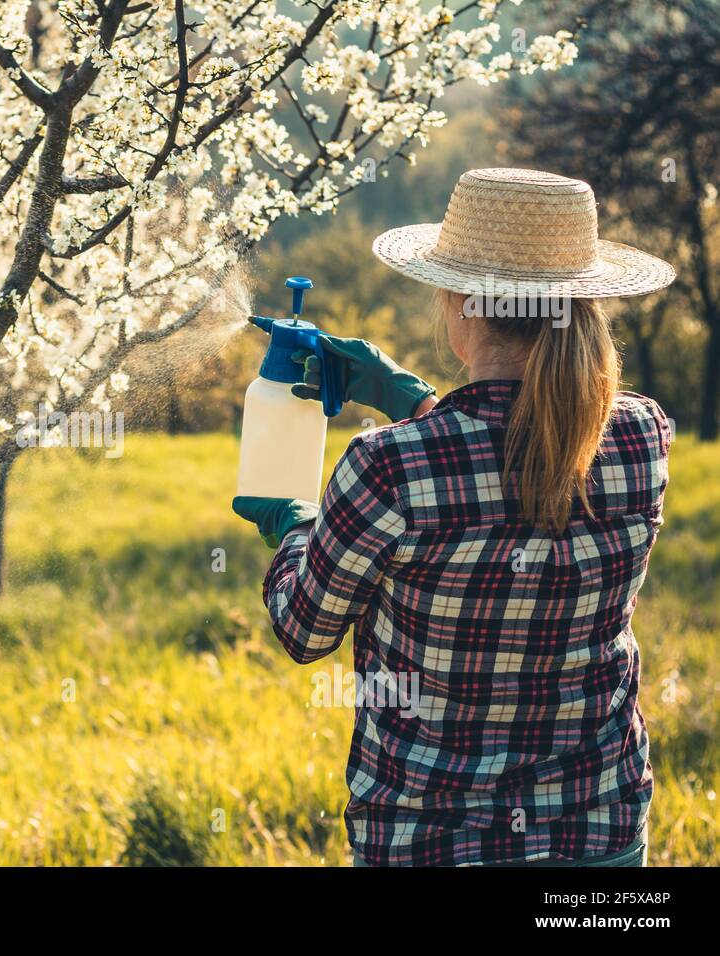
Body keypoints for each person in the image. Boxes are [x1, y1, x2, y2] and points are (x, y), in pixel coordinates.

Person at [233, 168, 675, 866]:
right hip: (599, 829)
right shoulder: (642, 435)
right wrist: (416, 400)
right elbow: (519, 449)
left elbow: (303, 628)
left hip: (431, 839)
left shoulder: (388, 467)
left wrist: (297, 529)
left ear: (464, 304)